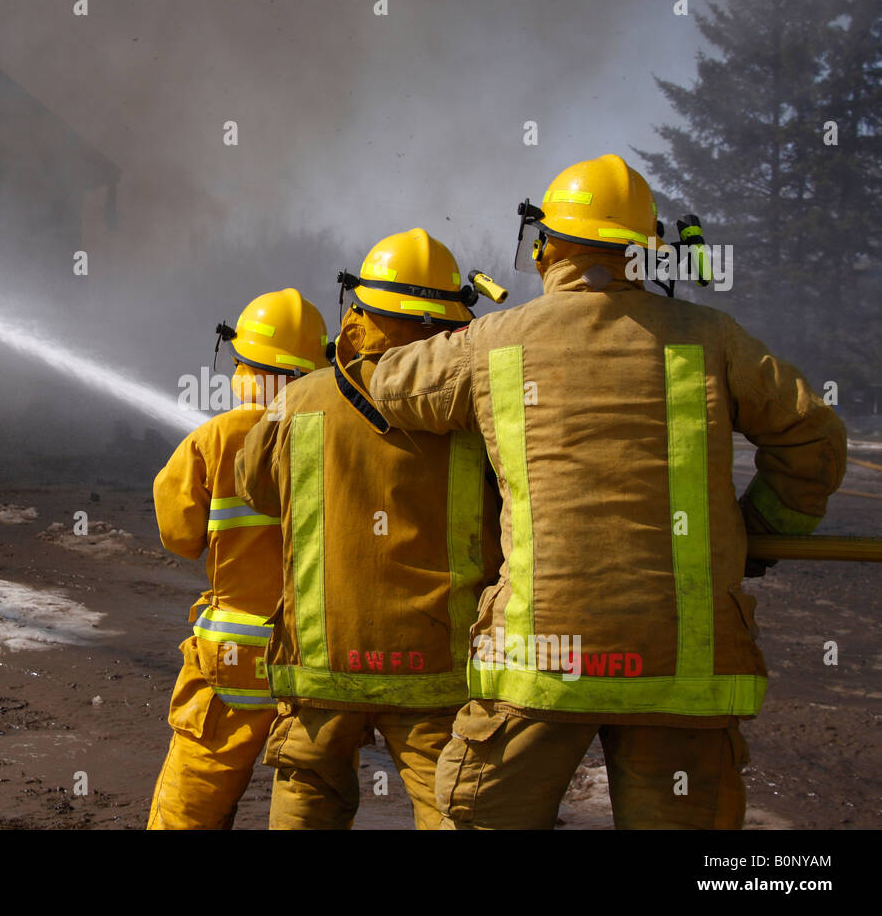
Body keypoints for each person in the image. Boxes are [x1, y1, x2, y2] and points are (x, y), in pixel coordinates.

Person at [367, 154, 847, 829]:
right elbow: (814, 437)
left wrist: (417, 316)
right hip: (681, 663)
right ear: (644, 251)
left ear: (545, 245)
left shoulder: (492, 342)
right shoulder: (712, 340)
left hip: (540, 662)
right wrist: (762, 528)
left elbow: (389, 385)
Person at [235, 228, 504, 829]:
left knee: (307, 798)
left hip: (323, 661)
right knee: (452, 807)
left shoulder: (296, 402)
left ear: (358, 315)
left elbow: (255, 489)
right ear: (451, 323)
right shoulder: (475, 412)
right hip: (436, 669)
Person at [148, 288, 330, 829]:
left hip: (233, 661)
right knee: (308, 801)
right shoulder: (336, 433)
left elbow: (179, 536)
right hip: (315, 658)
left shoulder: (213, 438)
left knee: (193, 800)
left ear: (242, 365)